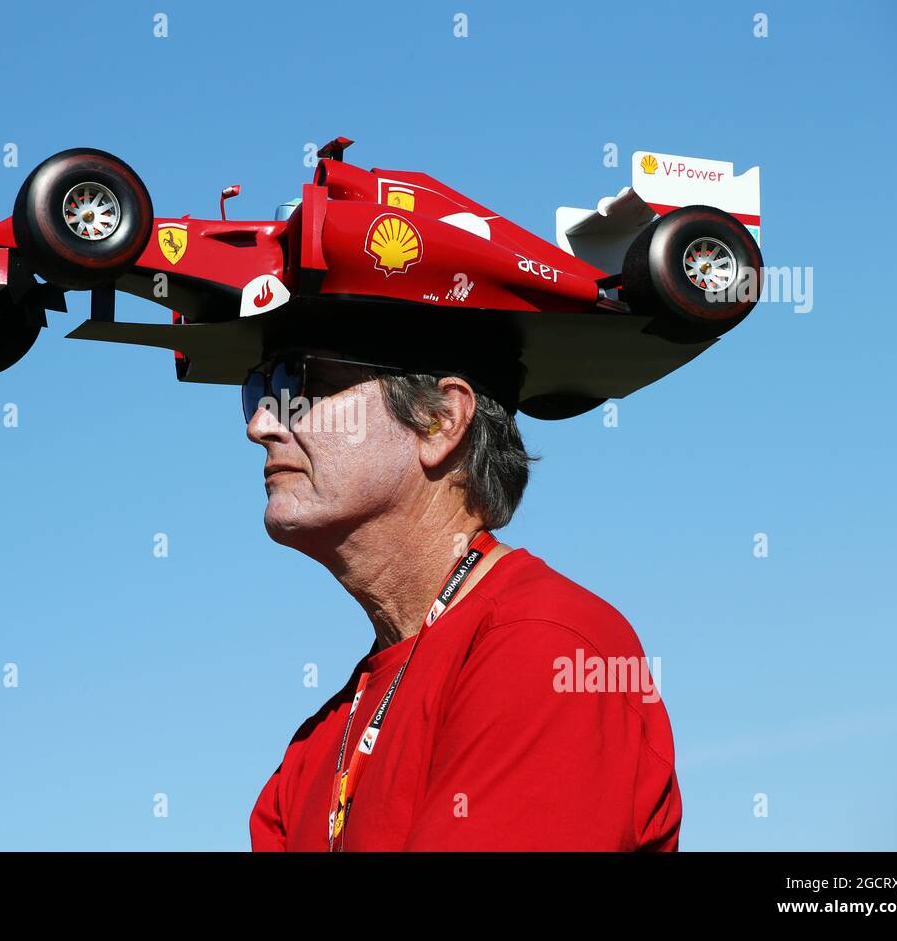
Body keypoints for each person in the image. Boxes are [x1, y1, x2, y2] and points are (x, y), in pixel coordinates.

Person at [244, 347, 681, 851]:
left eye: (302, 387)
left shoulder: (550, 646)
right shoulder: (317, 742)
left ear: (439, 420)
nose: (260, 425)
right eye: (258, 392)